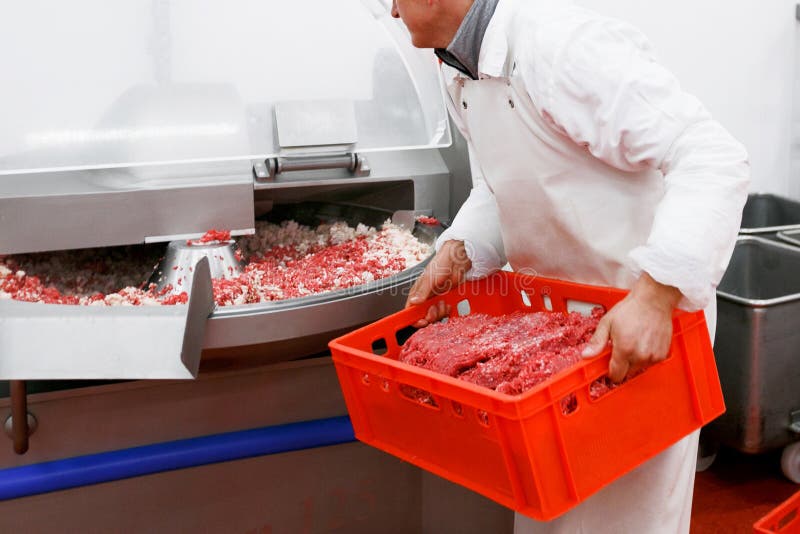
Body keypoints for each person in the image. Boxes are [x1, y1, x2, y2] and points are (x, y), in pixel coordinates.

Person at [392, 0, 750, 532]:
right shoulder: (459, 72)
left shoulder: (561, 45)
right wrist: (461, 248)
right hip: (553, 330)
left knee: (625, 516)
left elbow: (711, 154)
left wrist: (654, 298)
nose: (394, 14)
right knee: (549, 508)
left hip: (643, 324)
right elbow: (495, 183)